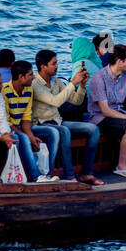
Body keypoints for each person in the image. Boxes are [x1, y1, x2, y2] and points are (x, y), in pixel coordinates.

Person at [31, 48, 103, 187]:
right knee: (64, 131)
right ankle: (70, 176)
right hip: (41, 124)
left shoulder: (56, 81)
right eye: (54, 63)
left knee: (93, 129)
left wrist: (81, 85)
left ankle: (87, 172)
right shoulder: (35, 84)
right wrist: (73, 83)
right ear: (43, 66)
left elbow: (76, 101)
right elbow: (56, 101)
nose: (57, 66)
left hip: (57, 121)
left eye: (56, 63)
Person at [86, 43, 126, 180]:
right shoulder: (99, 78)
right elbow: (105, 110)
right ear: (120, 62)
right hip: (100, 118)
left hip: (119, 114)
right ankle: (121, 165)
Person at [0, 60, 49, 183]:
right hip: (4, 127)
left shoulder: (29, 90)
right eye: (31, 75)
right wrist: (28, 137)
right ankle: (36, 176)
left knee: (52, 133)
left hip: (19, 126)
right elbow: (5, 121)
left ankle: (46, 173)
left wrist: (31, 136)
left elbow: (26, 118)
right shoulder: (4, 91)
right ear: (21, 77)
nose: (33, 77)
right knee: (22, 138)